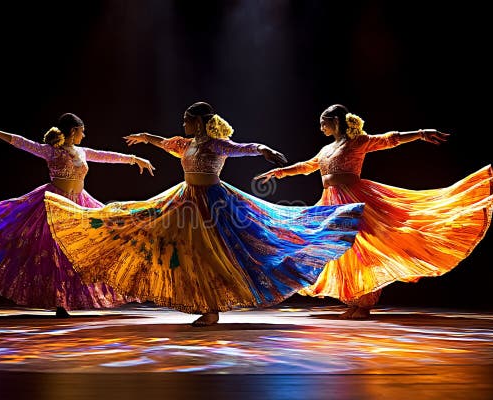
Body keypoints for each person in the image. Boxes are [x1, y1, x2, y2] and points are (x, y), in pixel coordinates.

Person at [44, 102, 364, 326]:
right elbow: (164, 142)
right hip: (185, 200)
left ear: (198, 122)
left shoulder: (215, 144)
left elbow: (242, 147)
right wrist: (146, 139)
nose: (183, 123)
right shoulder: (185, 144)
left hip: (213, 203)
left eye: (187, 119)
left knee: (220, 252)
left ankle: (211, 310)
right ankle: (207, 307)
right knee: (163, 238)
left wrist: (263, 150)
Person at [254, 104, 493, 319]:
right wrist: (279, 173)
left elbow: (390, 139)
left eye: (323, 122)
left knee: (363, 249)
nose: (321, 127)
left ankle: (364, 304)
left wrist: (420, 133)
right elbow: (307, 166)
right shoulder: (326, 149)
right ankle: (354, 301)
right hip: (331, 203)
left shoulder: (358, 141)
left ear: (335, 121)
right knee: (339, 251)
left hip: (354, 199)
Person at [0, 112, 154, 317]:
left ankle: (86, 294)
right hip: (53, 204)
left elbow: (106, 156)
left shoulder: (82, 151)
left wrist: (135, 159)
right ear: (73, 131)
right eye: (82, 130)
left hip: (79, 204)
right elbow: (22, 142)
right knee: (55, 251)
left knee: (102, 239)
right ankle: (60, 302)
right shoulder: (50, 150)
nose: (84, 135)